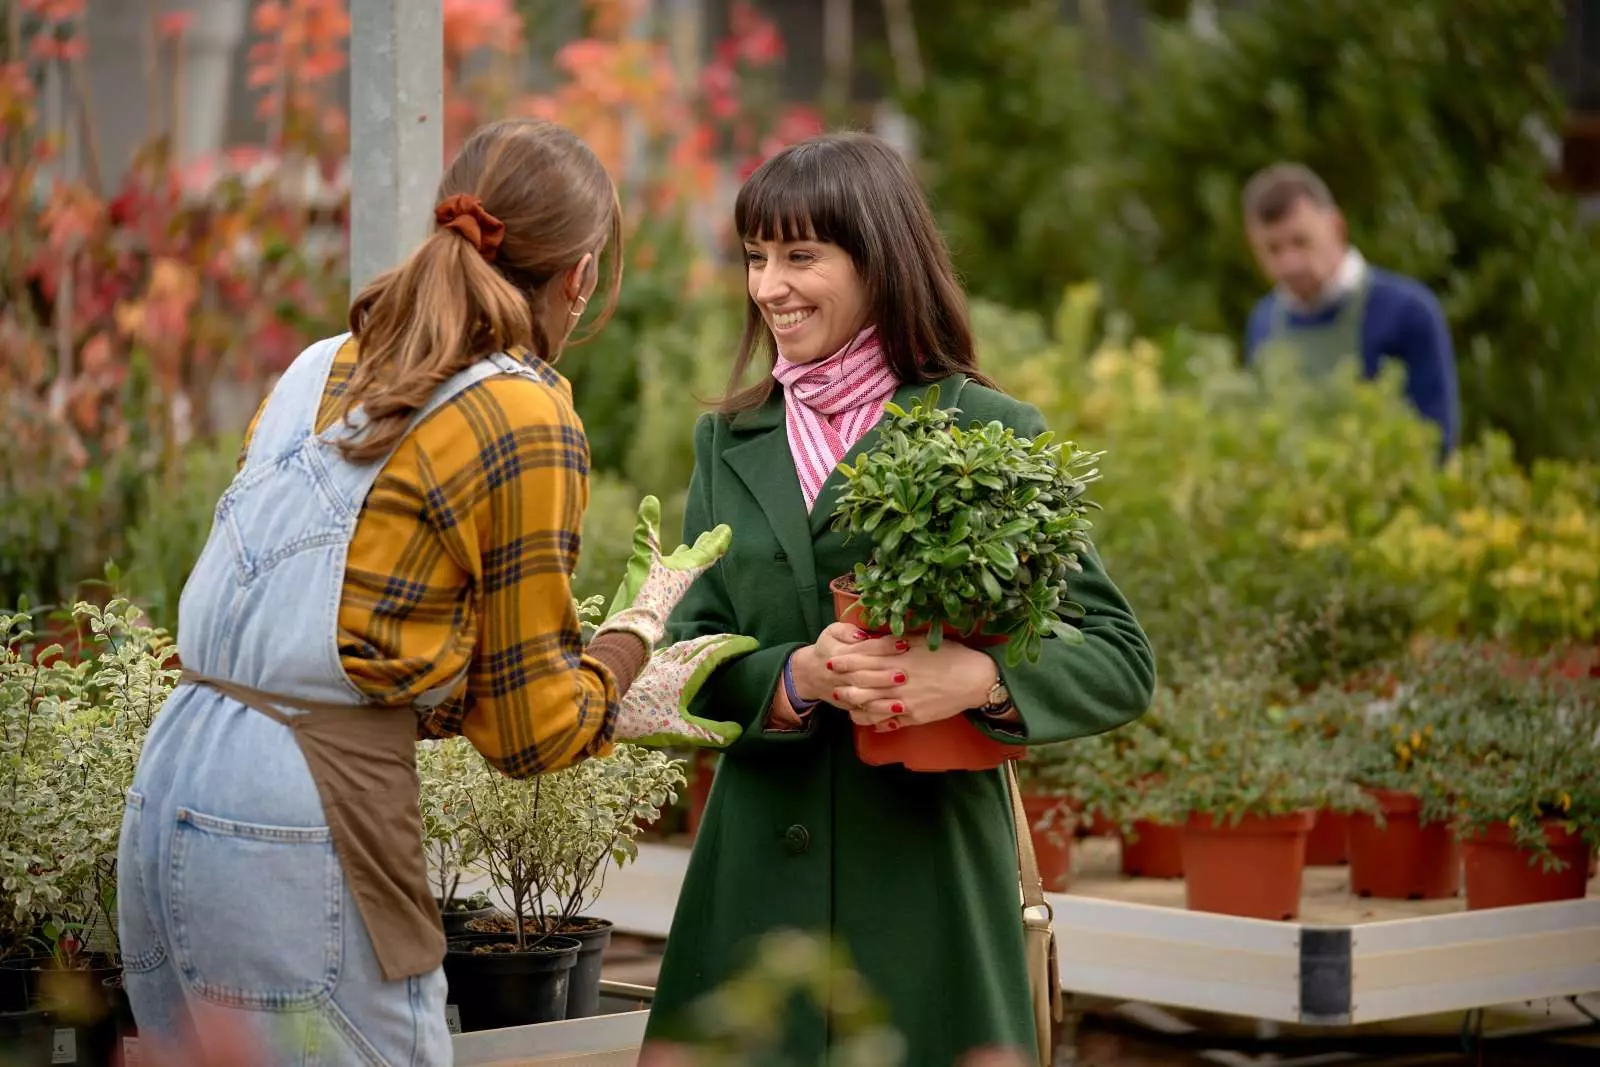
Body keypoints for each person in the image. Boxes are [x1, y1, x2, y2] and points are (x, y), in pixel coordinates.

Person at [117, 118, 736, 1066]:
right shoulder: (520, 412)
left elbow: (352, 632)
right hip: (299, 808)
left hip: (170, 786)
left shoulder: (320, 366)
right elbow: (530, 733)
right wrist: (630, 649)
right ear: (577, 274)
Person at [640, 133, 1156, 1066]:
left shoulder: (987, 429)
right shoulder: (729, 440)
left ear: (880, 261)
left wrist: (977, 678)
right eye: (757, 257)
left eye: (802, 256)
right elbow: (687, 656)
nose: (769, 287)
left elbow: (1119, 655)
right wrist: (791, 678)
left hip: (930, 892)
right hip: (752, 887)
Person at [1241, 162, 1461, 455]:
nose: (1289, 263)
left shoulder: (1408, 312)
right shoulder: (1263, 322)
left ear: (1336, 227)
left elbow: (1437, 441)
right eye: (1273, 249)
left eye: (1301, 242)